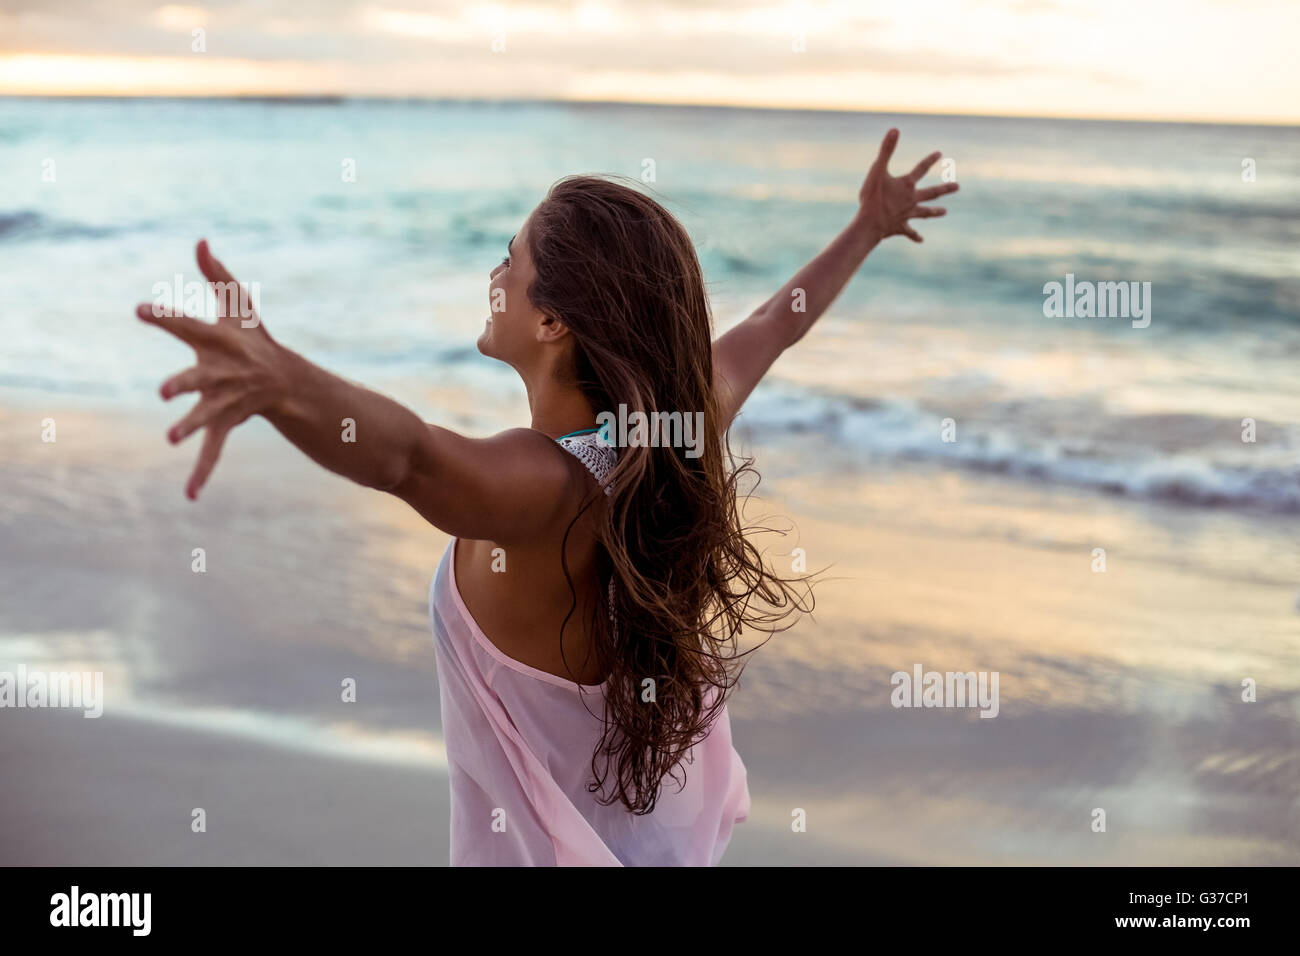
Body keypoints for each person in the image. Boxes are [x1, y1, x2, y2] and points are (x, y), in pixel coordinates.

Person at [135, 128, 957, 865]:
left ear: (553, 320)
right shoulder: (669, 435)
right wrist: (867, 229)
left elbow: (409, 459)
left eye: (510, 257)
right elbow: (779, 323)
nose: (494, 273)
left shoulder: (549, 491)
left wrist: (284, 382)